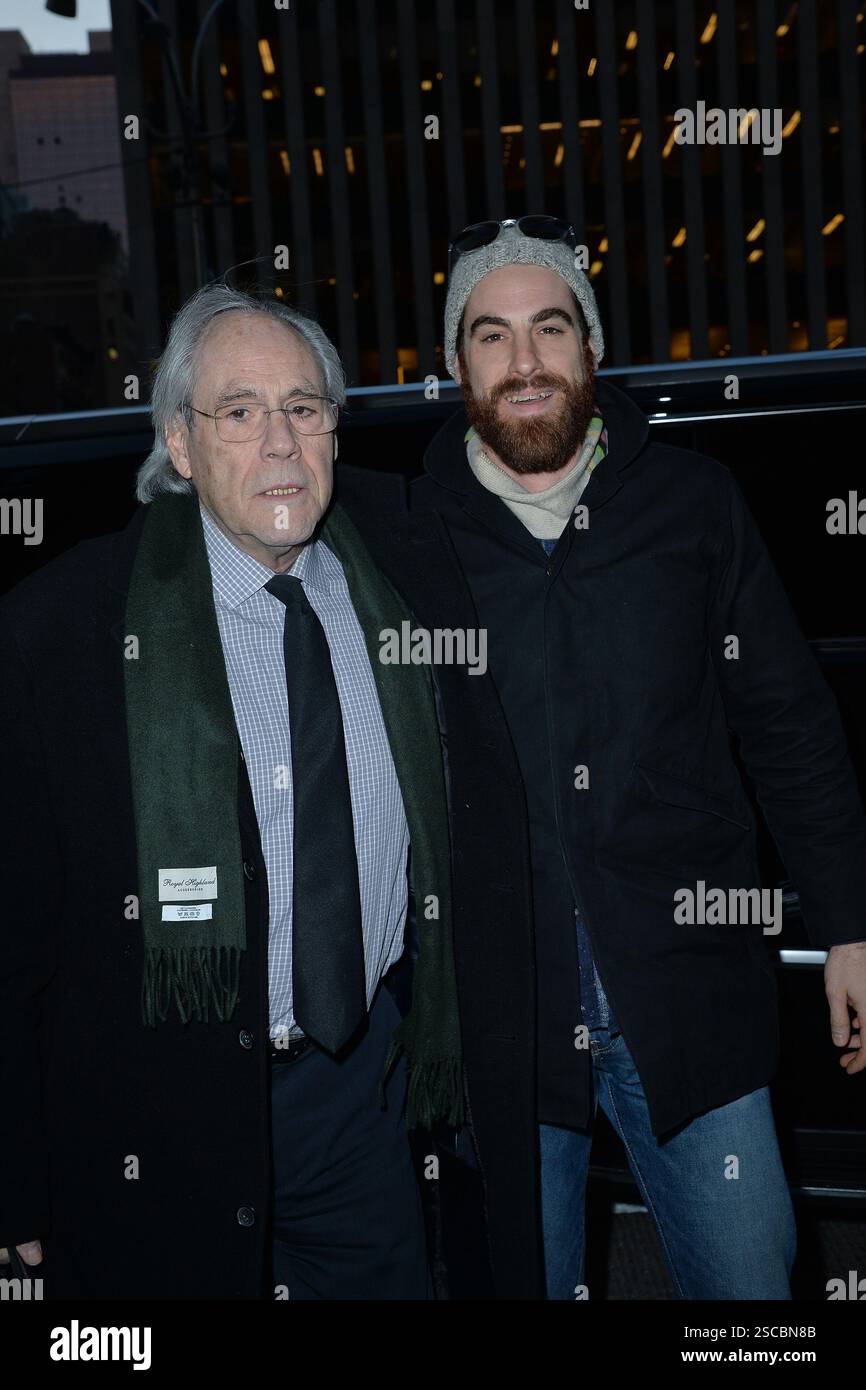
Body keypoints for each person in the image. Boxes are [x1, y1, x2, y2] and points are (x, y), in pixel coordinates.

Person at [0, 283, 543, 1299]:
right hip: (155, 1113)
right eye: (239, 411)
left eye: (304, 406)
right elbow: (12, 936)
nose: (281, 442)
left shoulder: (405, 576)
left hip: (358, 1091)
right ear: (183, 443)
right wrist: (16, 1187)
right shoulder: (65, 633)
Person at [410, 216, 866, 1300]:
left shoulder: (691, 504)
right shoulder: (403, 531)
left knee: (750, 1292)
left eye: (548, 328)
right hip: (499, 1019)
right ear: (453, 363)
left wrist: (847, 922)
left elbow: (787, 723)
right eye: (489, 335)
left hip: (687, 993)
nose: (522, 363)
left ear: (591, 347)